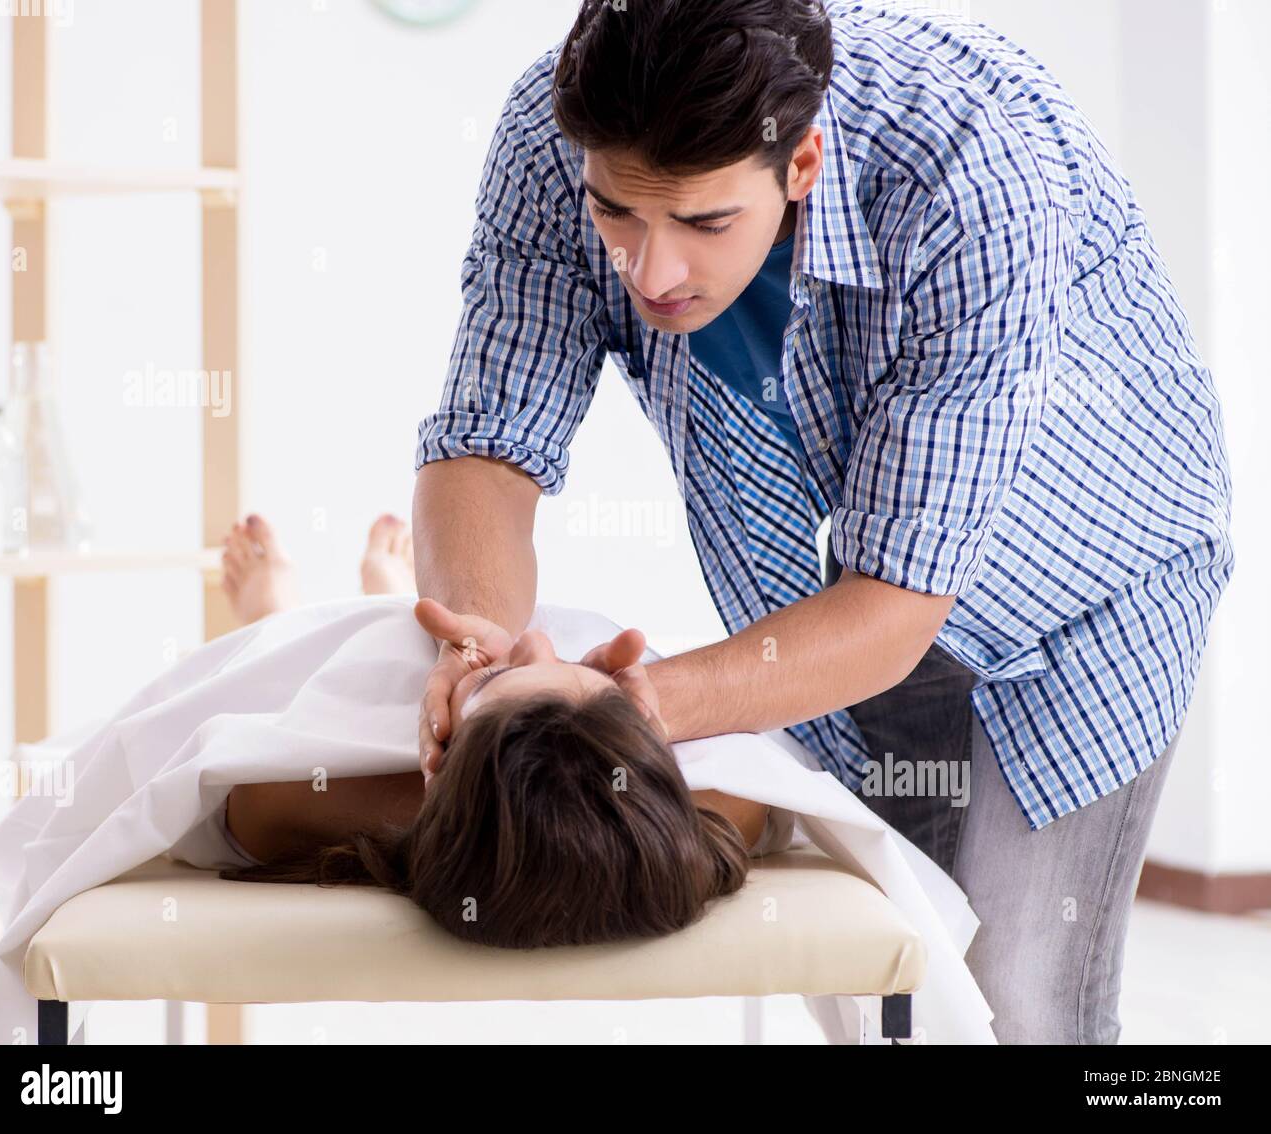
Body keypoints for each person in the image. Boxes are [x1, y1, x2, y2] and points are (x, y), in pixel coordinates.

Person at [411, 1, 1234, 1041]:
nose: (649, 274)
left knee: (1020, 1002)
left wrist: (632, 705)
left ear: (800, 162)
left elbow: (893, 608)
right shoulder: (551, 135)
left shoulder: (968, 167)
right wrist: (484, 658)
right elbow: (488, 440)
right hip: (848, 590)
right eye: (617, 213)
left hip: (1086, 581)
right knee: (873, 987)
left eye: (704, 224)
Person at [213, 512, 792, 950]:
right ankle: (391, 591)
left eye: (496, 678)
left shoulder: (274, 806)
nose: (536, 639)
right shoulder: (733, 806)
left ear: (438, 776)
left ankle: (279, 609)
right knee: (432, 641)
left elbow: (245, 765)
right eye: (585, 677)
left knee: (358, 664)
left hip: (360, 704)